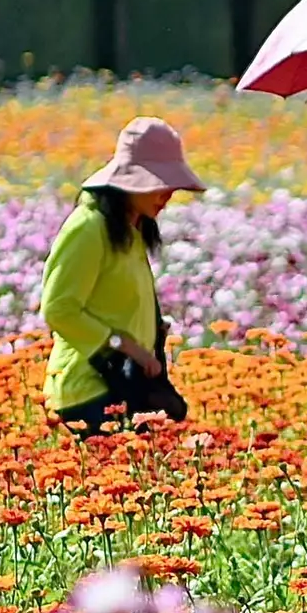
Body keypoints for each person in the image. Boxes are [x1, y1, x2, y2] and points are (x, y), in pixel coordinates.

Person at [40, 117, 206, 436]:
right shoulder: (88, 227)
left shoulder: (132, 228)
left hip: (124, 387)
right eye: (159, 182)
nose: (168, 193)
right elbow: (58, 309)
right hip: (88, 390)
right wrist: (125, 344)